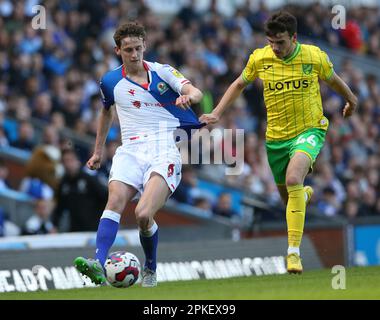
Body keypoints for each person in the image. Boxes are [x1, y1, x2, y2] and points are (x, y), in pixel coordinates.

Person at [200, 11, 357, 274]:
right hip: (276, 139)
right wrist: (217, 112)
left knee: (295, 178)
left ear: (293, 38)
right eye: (271, 41)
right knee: (290, 199)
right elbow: (239, 84)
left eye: (281, 42)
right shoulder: (260, 58)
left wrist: (351, 99)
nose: (275, 48)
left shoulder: (313, 55)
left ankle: (293, 254)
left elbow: (333, 79)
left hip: (309, 130)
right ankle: (303, 198)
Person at [74, 22, 203, 287]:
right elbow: (106, 112)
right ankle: (97, 263)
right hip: (130, 150)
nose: (134, 54)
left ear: (145, 46)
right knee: (114, 202)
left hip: (164, 149)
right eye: (129, 50)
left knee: (143, 215)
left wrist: (188, 97)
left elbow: (195, 91)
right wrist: (98, 150)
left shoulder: (162, 72)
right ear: (117, 50)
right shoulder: (110, 81)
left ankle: (151, 267)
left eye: (138, 48)